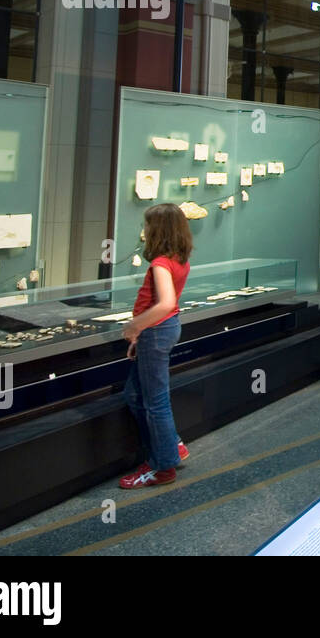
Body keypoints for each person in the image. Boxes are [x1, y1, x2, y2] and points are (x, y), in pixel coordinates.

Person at [118, 203, 192, 489]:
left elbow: (166, 304)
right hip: (163, 330)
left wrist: (134, 326)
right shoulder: (178, 259)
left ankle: (163, 467)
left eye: (147, 226)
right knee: (134, 395)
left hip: (157, 331)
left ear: (157, 230)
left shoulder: (160, 263)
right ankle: (171, 445)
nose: (144, 230)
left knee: (155, 402)